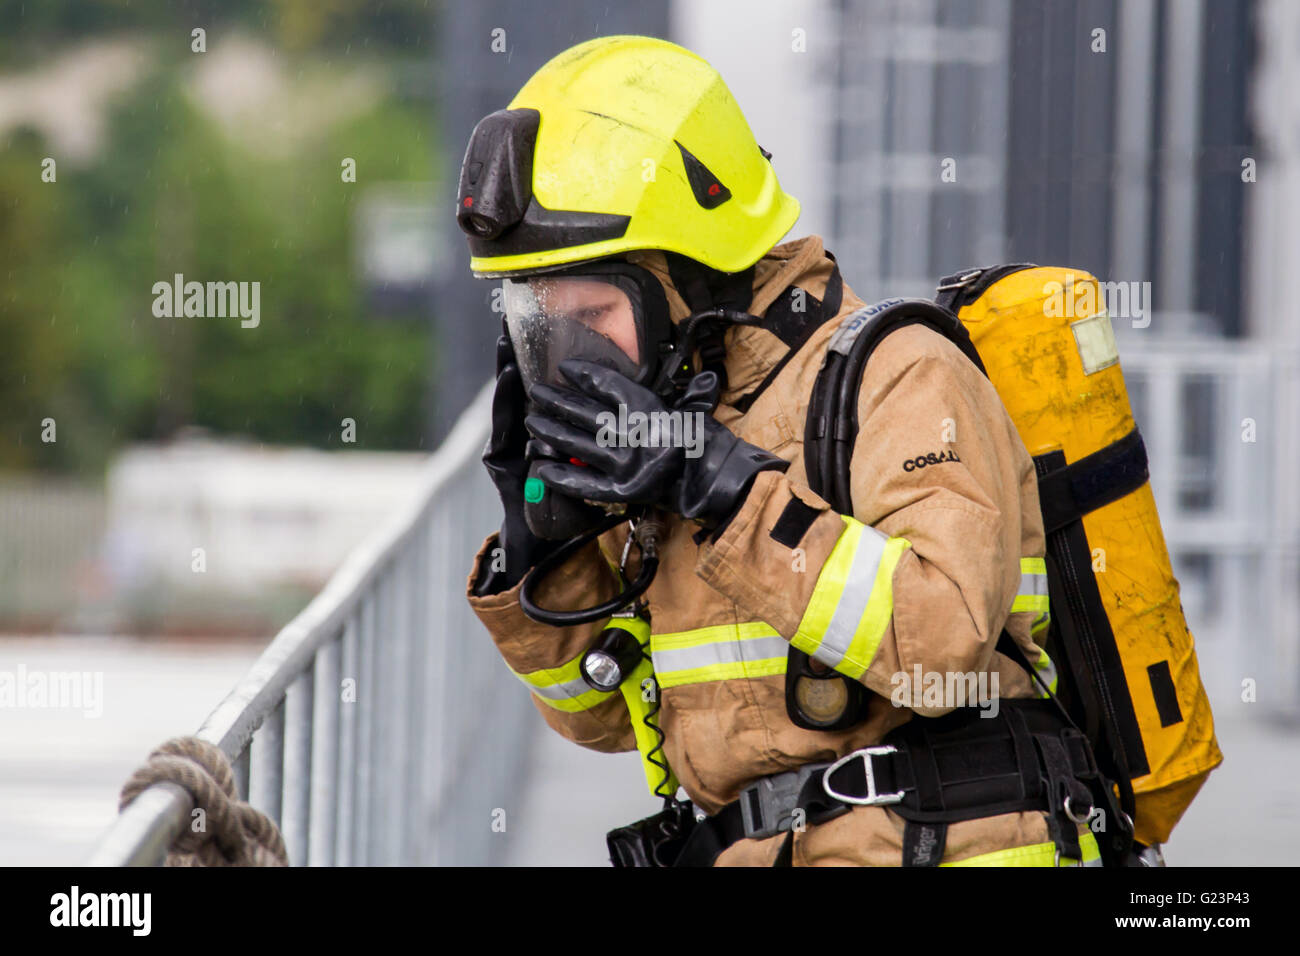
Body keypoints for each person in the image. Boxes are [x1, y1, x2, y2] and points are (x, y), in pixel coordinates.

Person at [459, 35, 1101, 866]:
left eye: (592, 318)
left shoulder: (898, 376)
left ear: (692, 283)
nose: (572, 365)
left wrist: (719, 488)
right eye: (539, 327)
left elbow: (946, 647)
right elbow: (605, 718)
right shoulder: (667, 425)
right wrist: (544, 545)